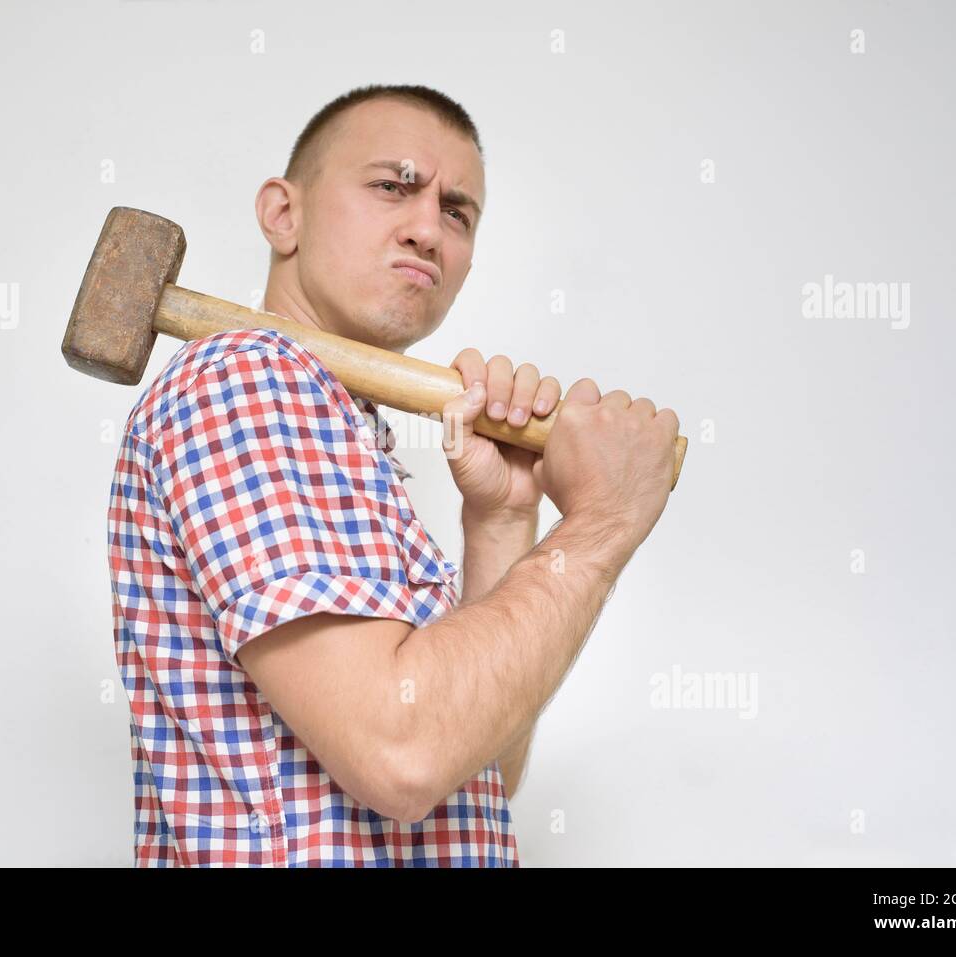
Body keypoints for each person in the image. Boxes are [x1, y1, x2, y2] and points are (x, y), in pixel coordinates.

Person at [107, 84, 680, 866]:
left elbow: (478, 767)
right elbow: (401, 755)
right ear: (284, 213)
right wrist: (604, 522)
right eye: (393, 185)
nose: (427, 231)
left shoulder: (340, 431)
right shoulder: (247, 380)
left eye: (458, 212)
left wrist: (504, 521)